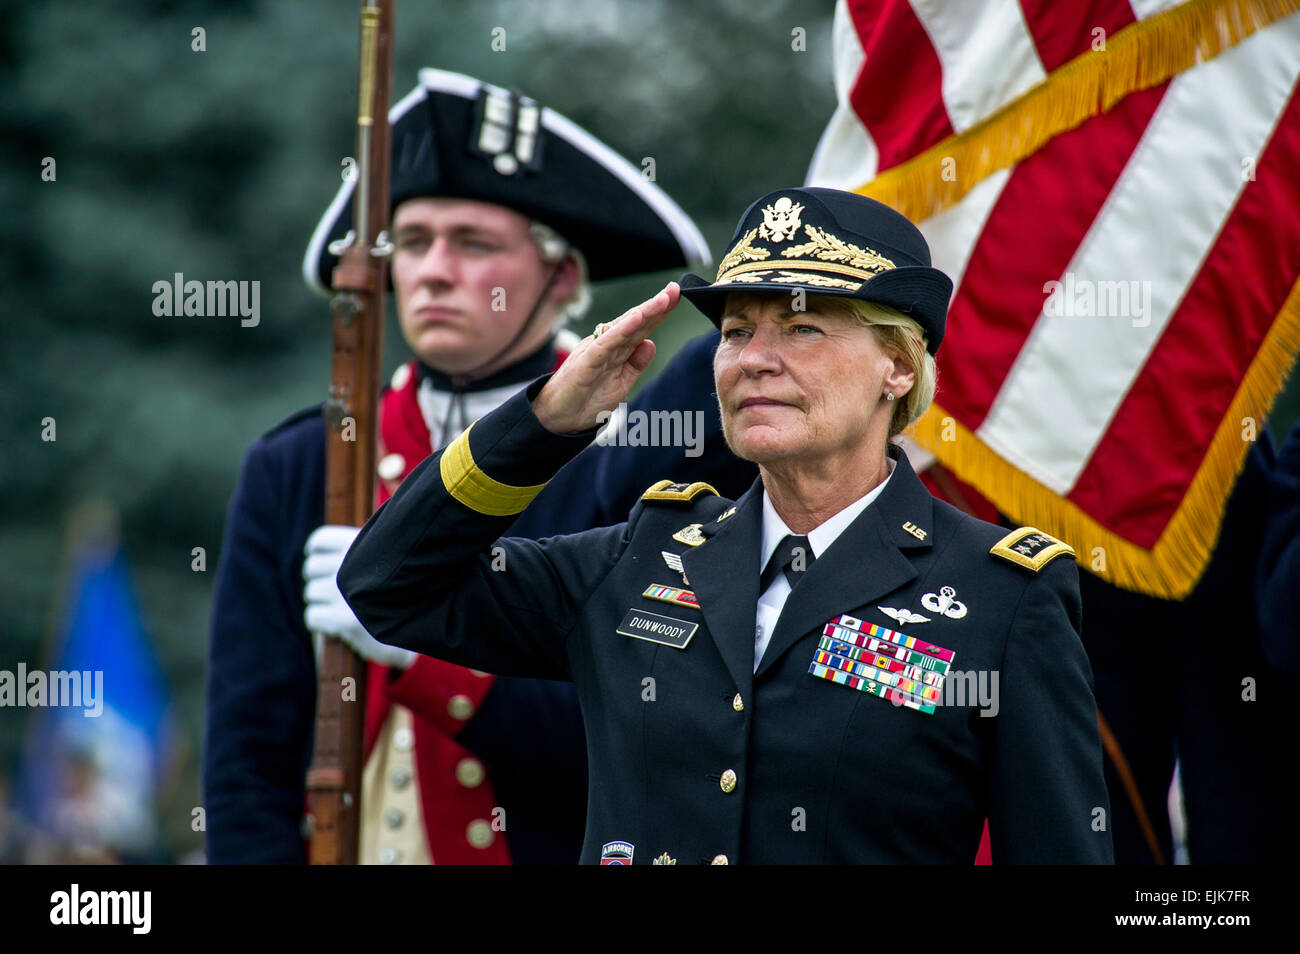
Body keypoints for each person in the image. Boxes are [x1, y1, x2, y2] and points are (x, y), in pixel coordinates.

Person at [338, 187, 1115, 864]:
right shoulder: (639, 557)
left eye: (803, 329)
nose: (754, 359)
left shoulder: (999, 593)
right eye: (738, 331)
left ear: (899, 366)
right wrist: (543, 423)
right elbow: (388, 586)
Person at [202, 68, 711, 864]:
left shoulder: (638, 456)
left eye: (473, 244)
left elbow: (634, 741)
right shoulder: (300, 463)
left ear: (563, 278)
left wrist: (423, 653)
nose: (434, 269)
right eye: (412, 242)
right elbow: (246, 763)